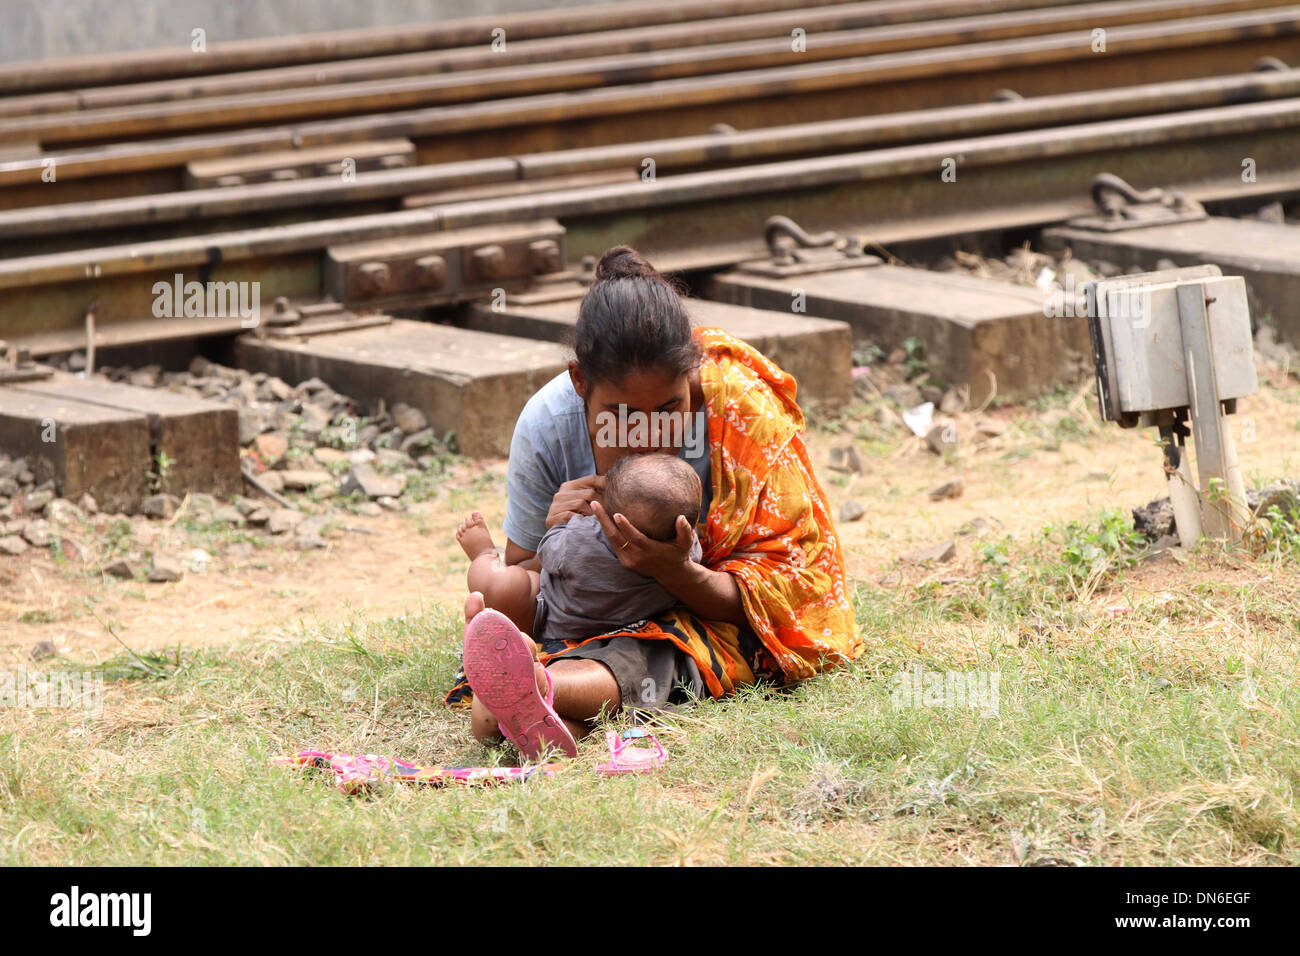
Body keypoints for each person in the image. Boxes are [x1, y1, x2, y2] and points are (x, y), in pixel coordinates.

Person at [450, 244, 861, 759]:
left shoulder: (741, 415)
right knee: (532, 616)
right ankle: (533, 691)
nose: (648, 436)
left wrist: (676, 572)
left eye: (670, 409)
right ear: (580, 382)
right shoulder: (548, 424)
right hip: (574, 625)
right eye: (622, 416)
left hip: (695, 622)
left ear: (693, 374)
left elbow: (788, 597)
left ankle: (539, 687)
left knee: (673, 650)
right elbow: (530, 579)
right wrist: (551, 534)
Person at [455, 452, 705, 642]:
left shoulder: (584, 538)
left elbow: (547, 553)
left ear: (607, 513)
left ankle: (484, 554)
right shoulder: (687, 553)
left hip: (550, 621)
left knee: (504, 587)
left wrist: (562, 524)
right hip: (624, 632)